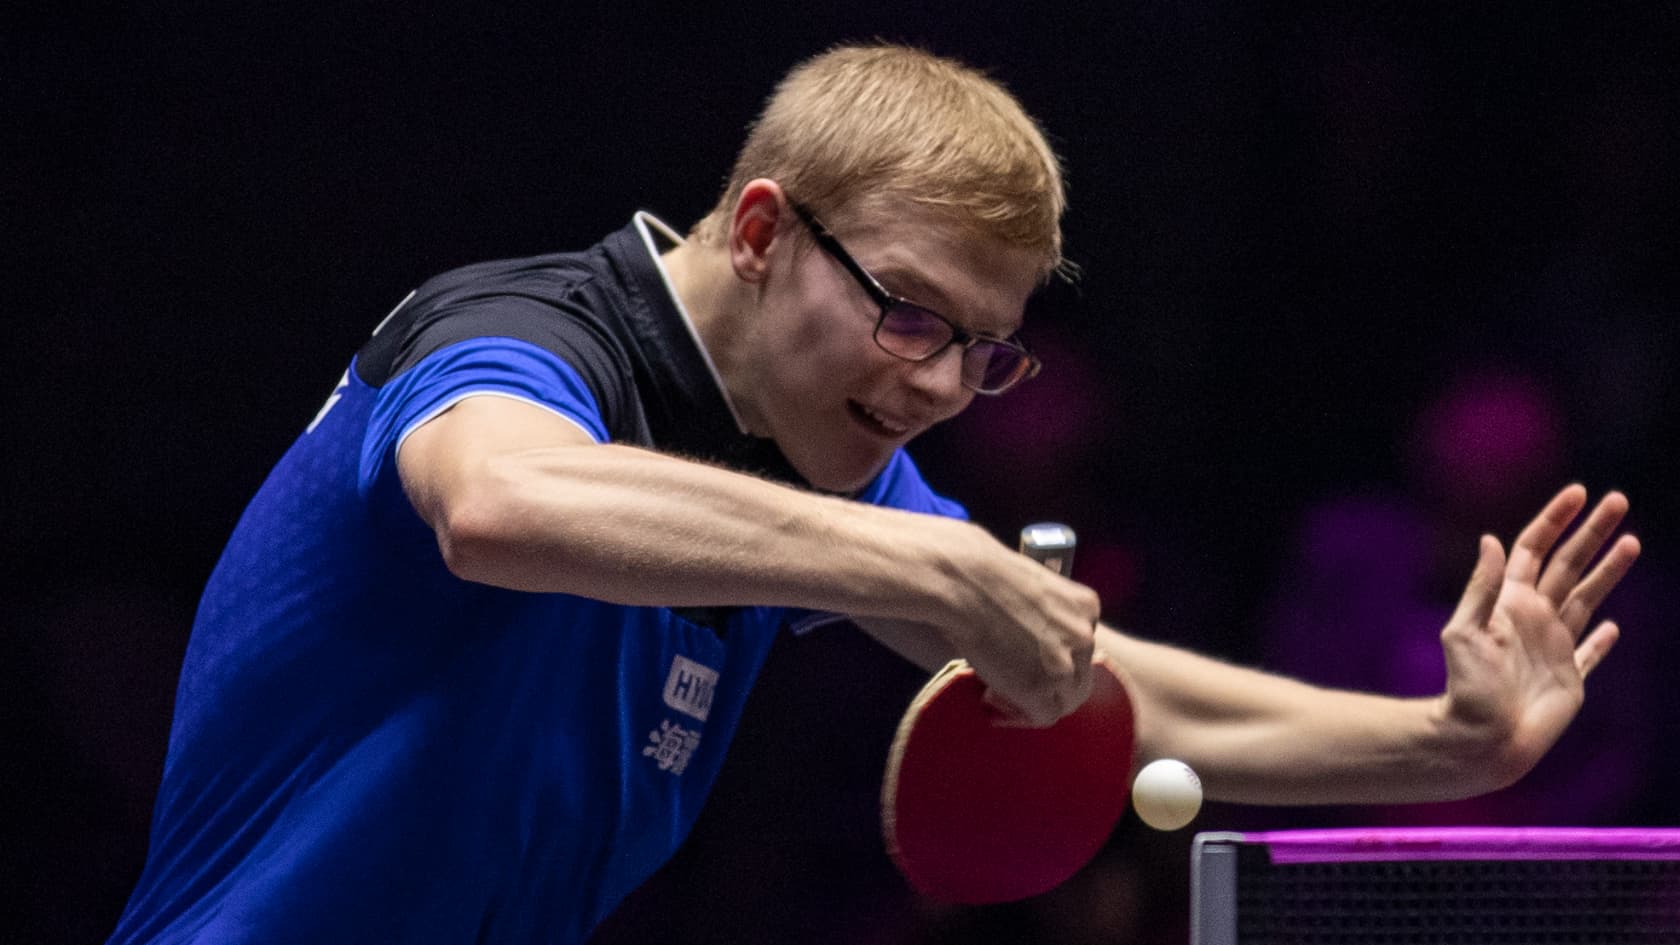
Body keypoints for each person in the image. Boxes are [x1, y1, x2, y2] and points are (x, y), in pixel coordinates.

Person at [106, 43, 1640, 945]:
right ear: (764, 227)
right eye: (907, 313)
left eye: (984, 352)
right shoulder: (518, 339)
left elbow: (1091, 691)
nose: (931, 384)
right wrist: (919, 569)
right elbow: (503, 507)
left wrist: (1448, 743)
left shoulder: (814, 455)